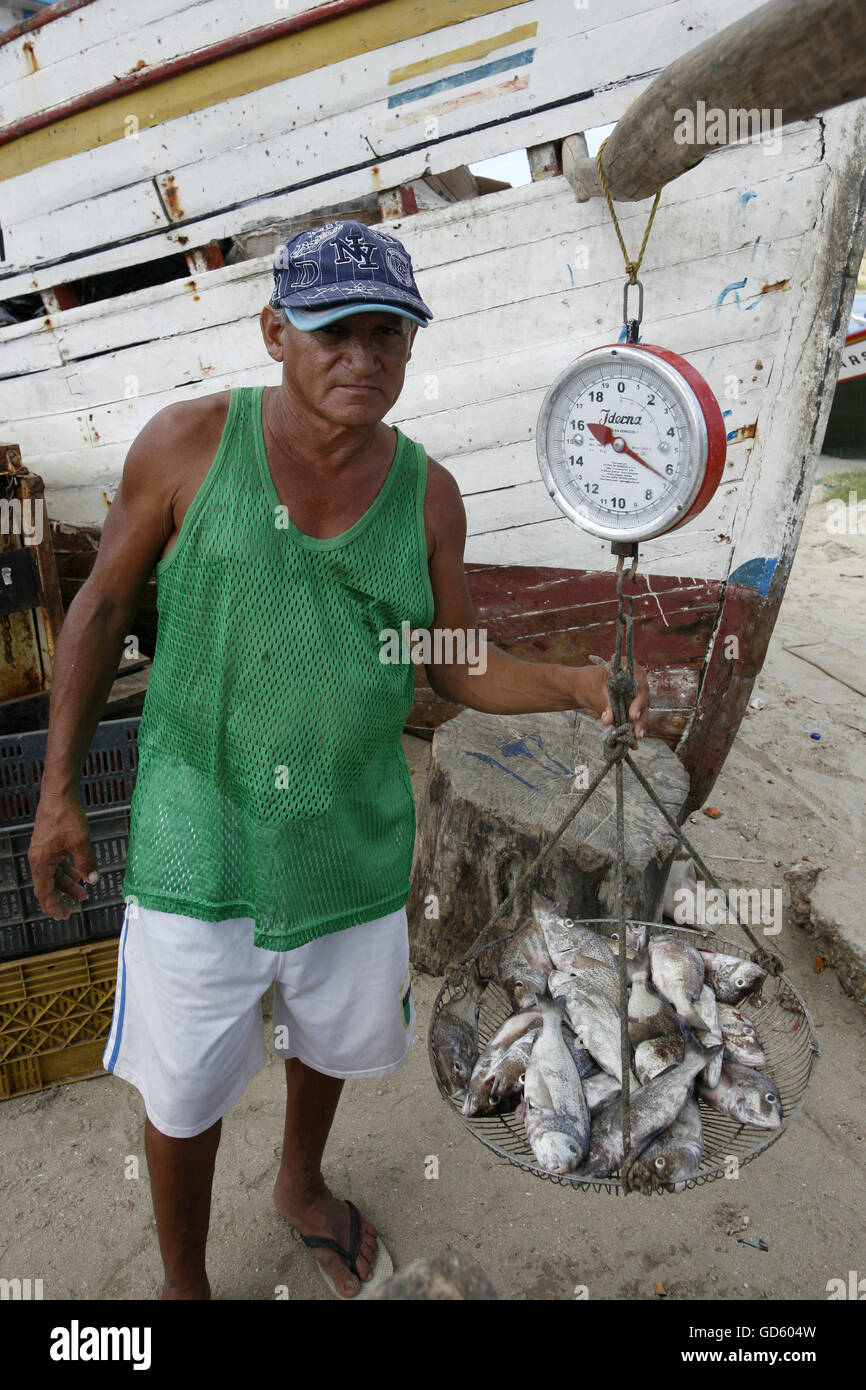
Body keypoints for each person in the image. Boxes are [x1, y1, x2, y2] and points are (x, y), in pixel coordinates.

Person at [28, 219, 649, 1300]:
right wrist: (56, 796)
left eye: (388, 335)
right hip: (198, 840)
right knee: (180, 1088)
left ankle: (300, 1182)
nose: (363, 357)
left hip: (350, 842)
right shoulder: (184, 445)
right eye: (334, 332)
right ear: (276, 332)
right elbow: (99, 607)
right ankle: (184, 1282)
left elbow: (449, 660)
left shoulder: (428, 493)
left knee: (331, 1036)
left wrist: (574, 683)